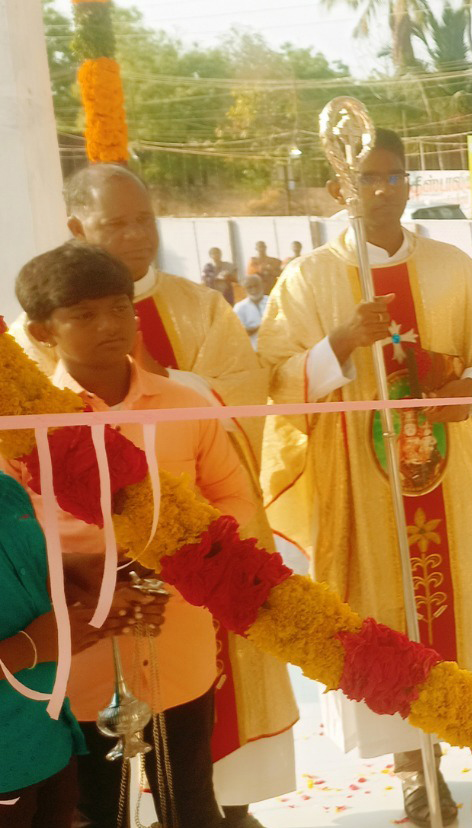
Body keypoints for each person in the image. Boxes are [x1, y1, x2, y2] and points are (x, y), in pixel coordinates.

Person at [257, 127, 472, 822]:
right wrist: (341, 342)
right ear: (338, 189)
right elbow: (275, 379)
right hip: (362, 480)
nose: (383, 191)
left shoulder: (451, 266)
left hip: (454, 473)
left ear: (410, 183)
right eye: (367, 179)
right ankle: (415, 763)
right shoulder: (309, 279)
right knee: (386, 619)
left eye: (394, 176)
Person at [14, 166, 286, 826]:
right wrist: (83, 578)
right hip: (75, 654)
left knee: (189, 801)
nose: (109, 325)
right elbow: (13, 534)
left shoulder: (185, 405)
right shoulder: (25, 424)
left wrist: (185, 558)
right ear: (44, 333)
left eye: (119, 309)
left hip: (178, 637)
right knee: (95, 811)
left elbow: (233, 495)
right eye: (84, 315)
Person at [18, 167, 268, 466]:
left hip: (199, 478)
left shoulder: (203, 306)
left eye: (144, 220)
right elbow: (28, 429)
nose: (137, 234)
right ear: (78, 229)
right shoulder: (45, 324)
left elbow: (246, 394)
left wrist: (163, 379)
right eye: (116, 224)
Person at [0, 468, 156, 828]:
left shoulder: (7, 489)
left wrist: (79, 576)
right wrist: (29, 648)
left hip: (49, 743)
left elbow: (26, 574)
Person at [233, 275, 269, 349]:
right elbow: (237, 332)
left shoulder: (272, 301)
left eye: (256, 286)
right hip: (252, 350)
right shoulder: (239, 307)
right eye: (250, 287)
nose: (254, 290)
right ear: (244, 289)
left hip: (274, 348)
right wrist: (260, 328)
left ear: (262, 285)